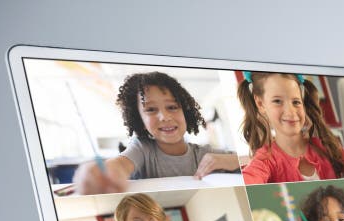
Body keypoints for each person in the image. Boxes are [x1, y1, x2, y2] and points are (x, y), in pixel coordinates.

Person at [74, 72, 240, 194]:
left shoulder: (204, 154)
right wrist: (105, 172)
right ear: (139, 120)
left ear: (186, 112)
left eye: (172, 107)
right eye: (151, 110)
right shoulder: (142, 149)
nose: (164, 117)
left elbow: (257, 159)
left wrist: (231, 160)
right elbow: (121, 164)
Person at [237, 72, 344, 184]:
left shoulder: (326, 147)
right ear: (260, 104)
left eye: (296, 102)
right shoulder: (264, 161)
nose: (291, 111)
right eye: (277, 101)